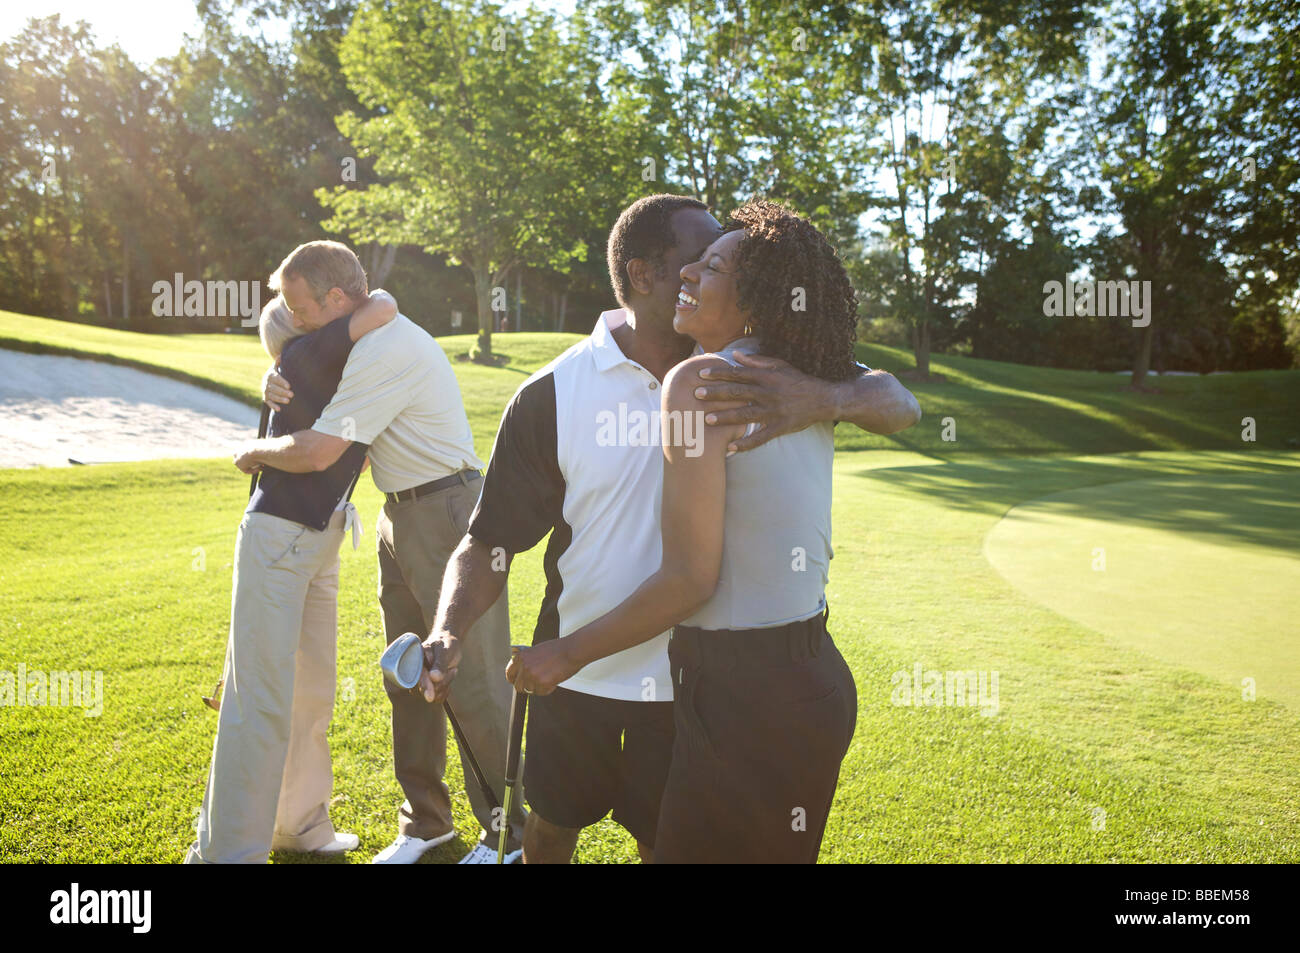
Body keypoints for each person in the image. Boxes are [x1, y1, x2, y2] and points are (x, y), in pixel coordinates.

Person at [418, 194, 920, 863]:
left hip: (689, 684)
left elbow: (899, 399)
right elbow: (490, 540)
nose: (696, 274)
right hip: (581, 676)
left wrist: (822, 397)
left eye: (715, 265)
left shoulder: (776, 367)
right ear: (644, 274)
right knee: (550, 829)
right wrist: (450, 628)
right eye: (694, 259)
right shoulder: (552, 393)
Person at [253, 242, 524, 865]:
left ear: (338, 301)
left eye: (300, 310)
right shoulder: (354, 341)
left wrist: (252, 451)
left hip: (448, 514)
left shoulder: (383, 348)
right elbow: (315, 394)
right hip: (398, 513)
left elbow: (320, 450)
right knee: (406, 672)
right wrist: (276, 379)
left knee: (471, 679)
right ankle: (426, 823)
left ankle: (508, 835)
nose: (295, 324)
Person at [185, 273, 397, 864]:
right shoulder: (312, 351)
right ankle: (228, 853)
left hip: (317, 537)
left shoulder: (308, 365)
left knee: (309, 693)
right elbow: (383, 303)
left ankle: (300, 825)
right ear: (301, 329)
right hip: (282, 538)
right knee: (261, 703)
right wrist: (336, 311)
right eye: (305, 312)